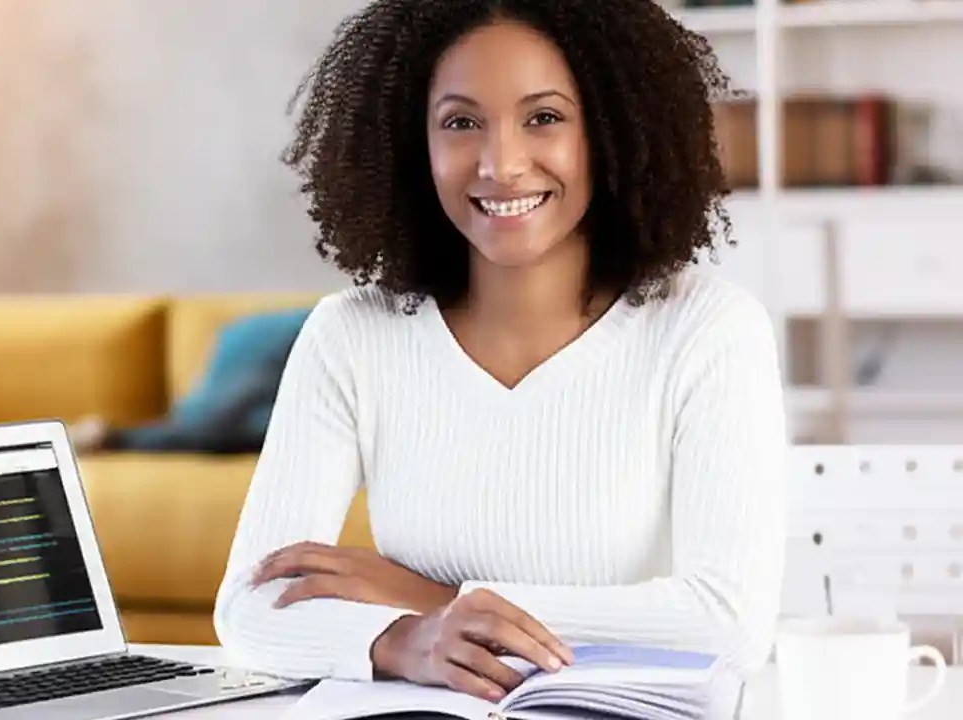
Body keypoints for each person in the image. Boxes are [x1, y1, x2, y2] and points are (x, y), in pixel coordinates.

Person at [213, 0, 787, 708]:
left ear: (609, 130)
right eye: (460, 122)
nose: (502, 164)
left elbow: (730, 624)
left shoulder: (708, 330)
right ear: (410, 143)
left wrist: (441, 601)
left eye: (543, 117)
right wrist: (406, 640)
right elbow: (247, 607)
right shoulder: (350, 336)